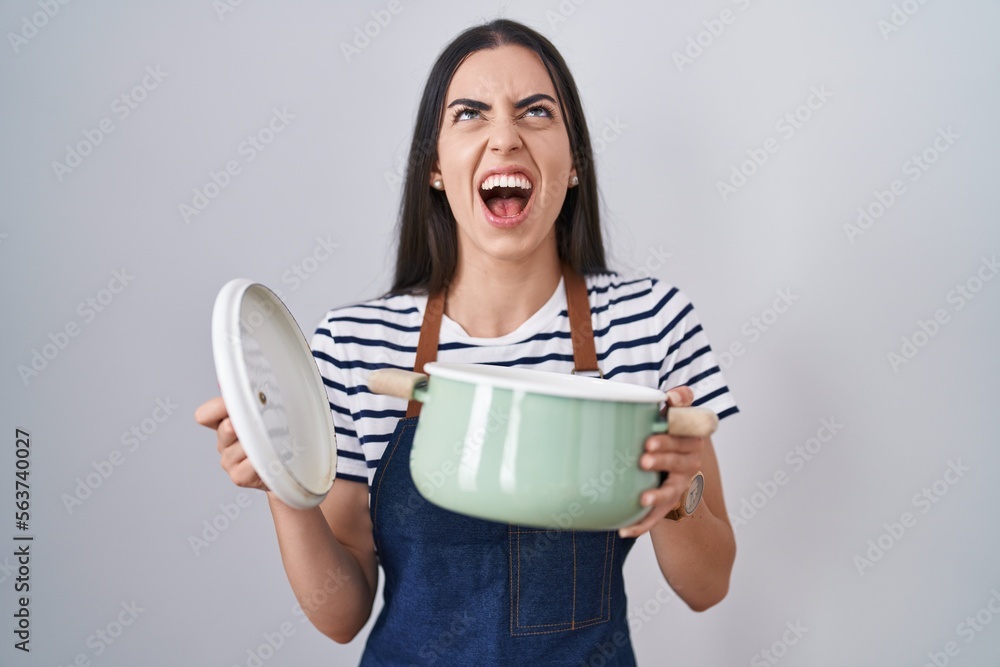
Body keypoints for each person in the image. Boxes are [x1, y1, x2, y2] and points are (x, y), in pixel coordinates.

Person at [195, 19, 738, 666]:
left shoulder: (650, 323)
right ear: (433, 166)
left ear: (574, 166)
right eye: (470, 115)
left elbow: (707, 587)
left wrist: (678, 500)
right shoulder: (353, 345)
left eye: (536, 112)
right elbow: (341, 614)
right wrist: (280, 477)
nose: (505, 137)